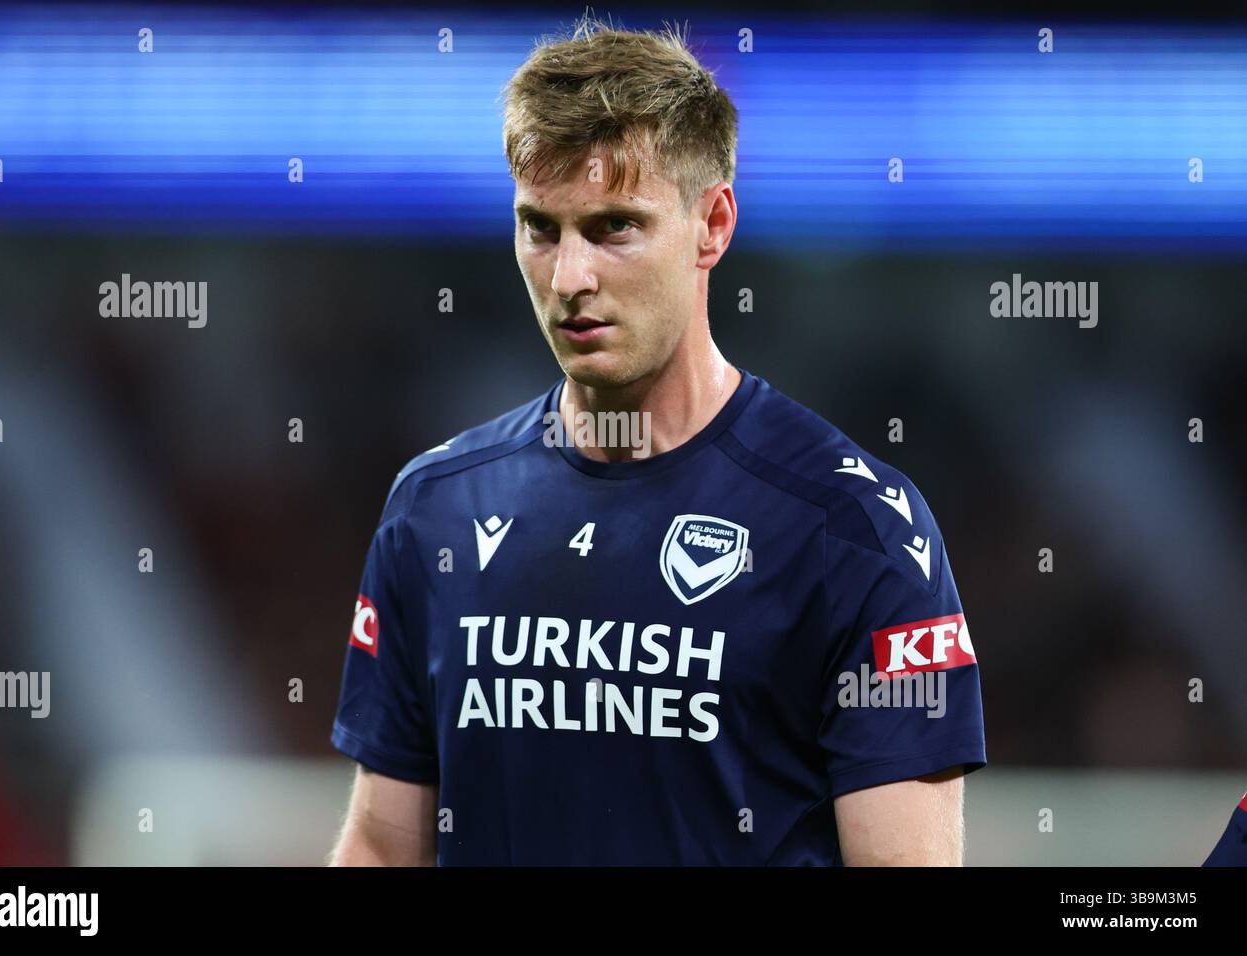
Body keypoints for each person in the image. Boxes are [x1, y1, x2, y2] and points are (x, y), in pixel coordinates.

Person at [329, 16, 985, 866]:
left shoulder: (854, 533)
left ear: (712, 225)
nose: (570, 278)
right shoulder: (435, 510)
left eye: (613, 228)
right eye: (541, 227)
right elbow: (383, 847)